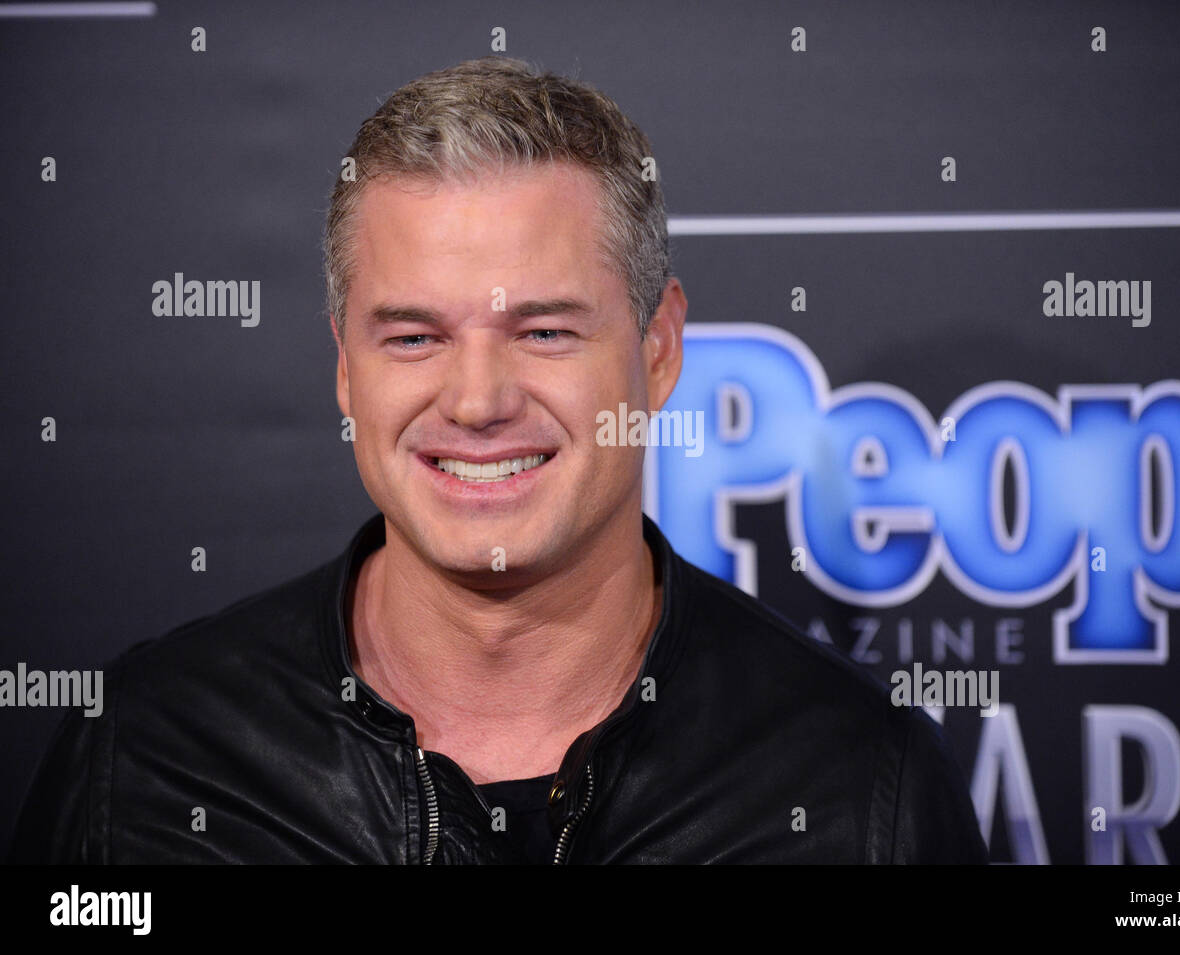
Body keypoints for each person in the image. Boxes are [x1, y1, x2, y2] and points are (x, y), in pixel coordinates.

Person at [8, 57, 988, 864]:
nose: (477, 401)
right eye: (412, 338)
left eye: (546, 332)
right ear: (345, 367)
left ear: (659, 350)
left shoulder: (858, 782)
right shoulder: (142, 755)